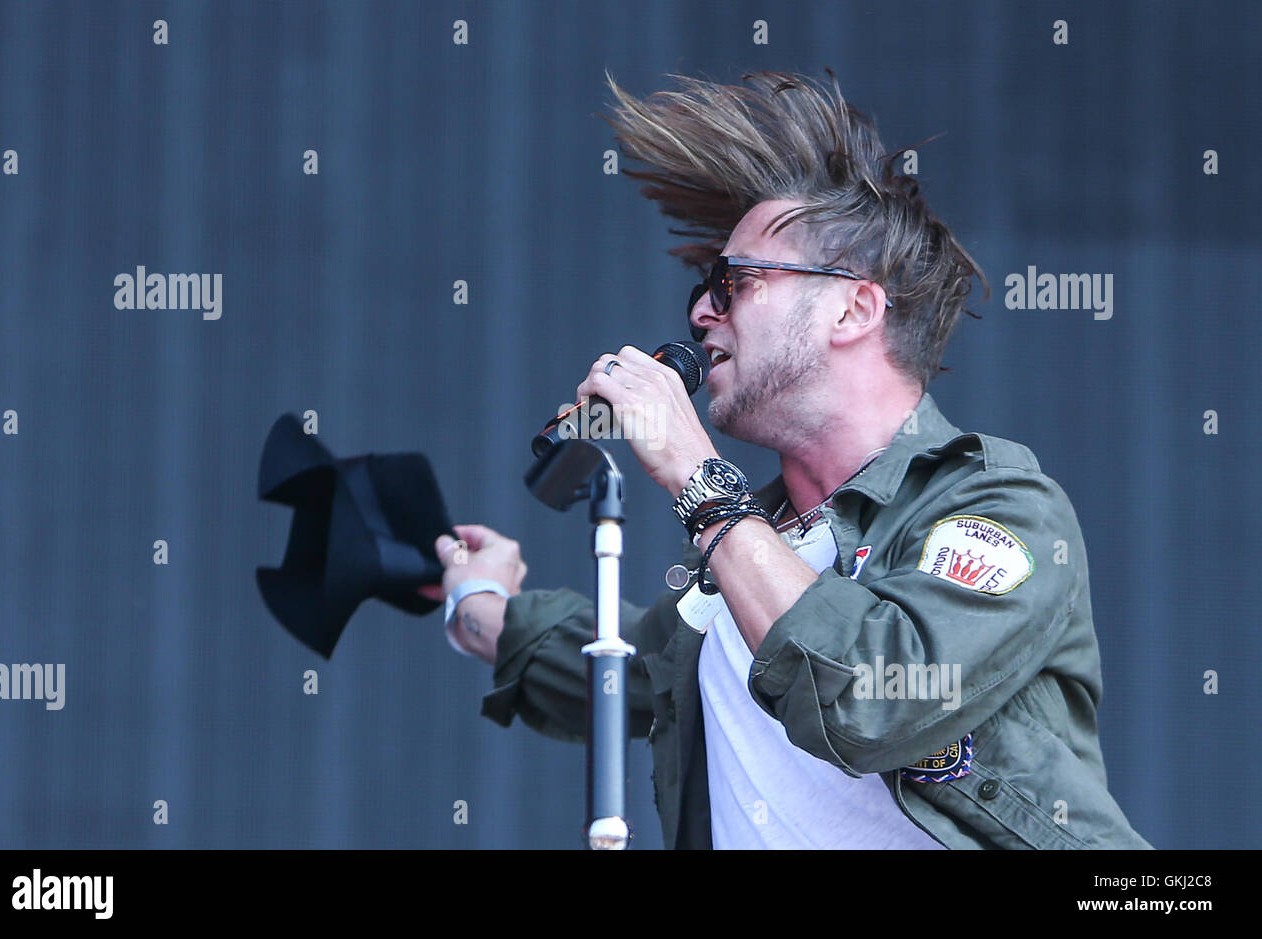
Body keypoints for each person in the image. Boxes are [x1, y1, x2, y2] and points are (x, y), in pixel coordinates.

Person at [419, 69, 1151, 849]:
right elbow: (623, 669)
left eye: (733, 282)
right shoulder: (743, 559)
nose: (702, 310)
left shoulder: (999, 504)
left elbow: (874, 696)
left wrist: (700, 482)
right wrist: (481, 602)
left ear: (853, 307)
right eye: (706, 288)